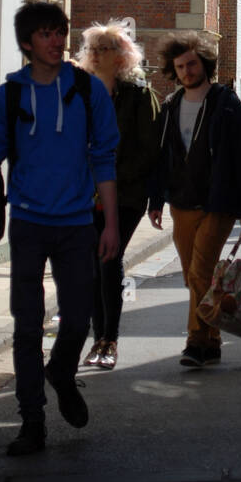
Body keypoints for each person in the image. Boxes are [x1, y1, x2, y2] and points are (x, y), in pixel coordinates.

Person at [0, 2, 120, 456]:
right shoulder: (7, 96)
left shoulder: (89, 92)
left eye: (61, 33)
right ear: (28, 43)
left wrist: (109, 223)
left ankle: (62, 372)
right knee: (27, 328)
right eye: (47, 34)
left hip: (77, 225)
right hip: (28, 223)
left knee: (77, 320)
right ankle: (32, 422)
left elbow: (104, 159)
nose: (56, 41)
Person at [148, 32, 241, 368]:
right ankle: (212, 341)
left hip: (218, 202)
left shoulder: (228, 107)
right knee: (194, 276)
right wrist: (155, 200)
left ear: (205, 64)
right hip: (180, 202)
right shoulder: (169, 107)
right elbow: (159, 157)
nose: (186, 71)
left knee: (199, 273)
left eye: (192, 64)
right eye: (180, 66)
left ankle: (196, 341)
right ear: (173, 70)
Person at [76, 21, 160, 371]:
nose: (96, 54)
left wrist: (154, 198)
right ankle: (98, 339)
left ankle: (109, 340)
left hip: (124, 193)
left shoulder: (140, 95)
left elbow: (151, 150)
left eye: (105, 48)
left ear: (122, 55)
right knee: (94, 266)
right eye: (93, 48)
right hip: (83, 193)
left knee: (108, 259)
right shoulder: (79, 92)